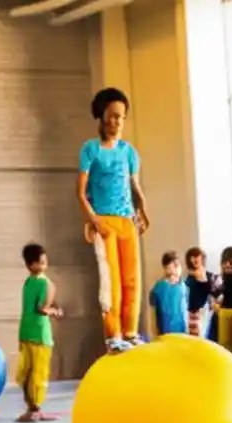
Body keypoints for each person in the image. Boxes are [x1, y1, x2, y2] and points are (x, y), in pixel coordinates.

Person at [78, 87, 150, 354]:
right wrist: (92, 219)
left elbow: (134, 186)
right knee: (112, 282)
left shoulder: (129, 152)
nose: (117, 121)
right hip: (104, 221)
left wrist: (142, 208)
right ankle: (113, 334)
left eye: (121, 117)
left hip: (127, 220)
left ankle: (130, 331)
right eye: (112, 116)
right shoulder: (91, 150)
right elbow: (81, 192)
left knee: (132, 278)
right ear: (101, 116)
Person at [19, 243, 62, 422]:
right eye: (42, 262)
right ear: (33, 264)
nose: (45, 265)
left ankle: (30, 407)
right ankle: (36, 408)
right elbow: (42, 308)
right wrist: (55, 312)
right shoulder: (45, 282)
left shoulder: (28, 282)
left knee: (27, 371)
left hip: (25, 332)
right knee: (39, 371)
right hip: (40, 334)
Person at [148, 251, 188, 337]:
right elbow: (152, 315)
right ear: (165, 269)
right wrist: (154, 333)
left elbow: (186, 309)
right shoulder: (158, 288)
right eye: (169, 268)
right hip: (165, 334)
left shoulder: (183, 286)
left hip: (182, 333)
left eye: (176, 266)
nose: (173, 270)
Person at [184, 247, 220, 337]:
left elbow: (218, 295)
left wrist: (204, 279)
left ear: (202, 258)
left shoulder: (211, 277)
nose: (194, 259)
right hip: (190, 314)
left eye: (197, 256)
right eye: (192, 257)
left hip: (205, 313)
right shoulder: (188, 279)